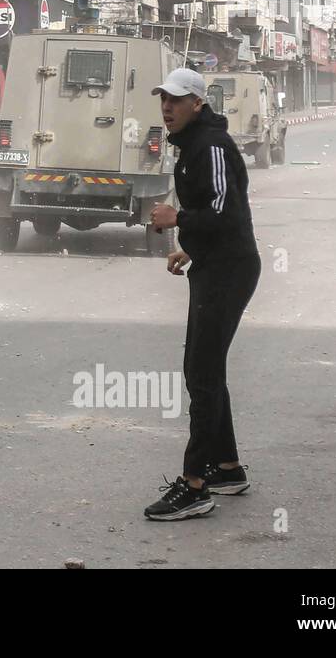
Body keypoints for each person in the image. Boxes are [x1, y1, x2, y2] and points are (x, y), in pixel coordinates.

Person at [145, 68, 261, 522]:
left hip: (230, 269)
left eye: (176, 100)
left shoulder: (210, 146)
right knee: (205, 369)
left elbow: (224, 212)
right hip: (215, 265)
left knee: (202, 372)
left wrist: (177, 220)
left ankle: (194, 486)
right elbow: (211, 215)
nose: (167, 108)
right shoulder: (193, 145)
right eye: (163, 100)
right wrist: (188, 249)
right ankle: (227, 468)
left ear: (197, 103)